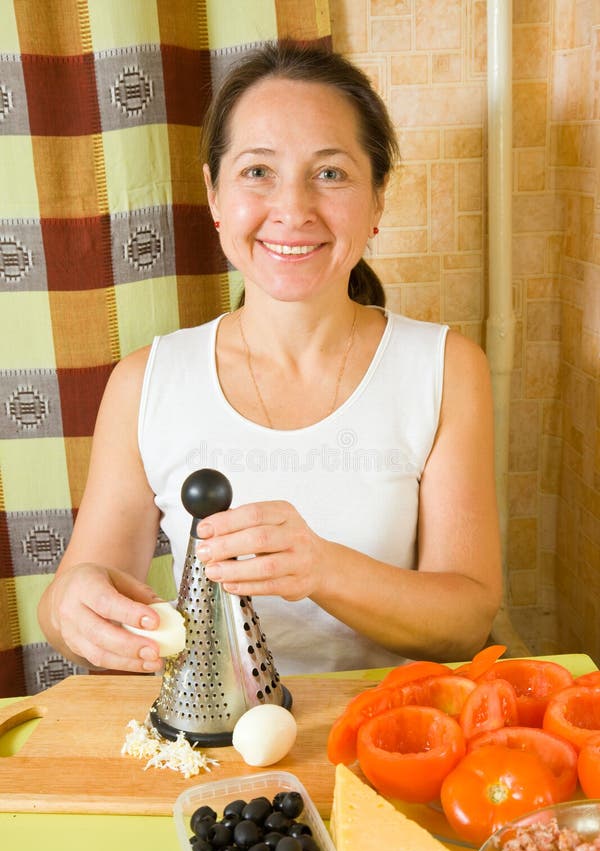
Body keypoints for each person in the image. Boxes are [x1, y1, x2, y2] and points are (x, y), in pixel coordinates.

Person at [38, 41, 502, 677]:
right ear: (215, 195)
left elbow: (466, 620)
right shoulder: (147, 381)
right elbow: (78, 601)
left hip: (385, 738)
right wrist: (71, 607)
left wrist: (321, 568)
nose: (292, 210)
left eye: (331, 173)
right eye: (258, 172)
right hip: (206, 744)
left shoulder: (446, 368)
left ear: (377, 200)